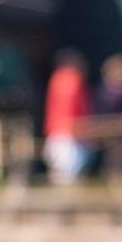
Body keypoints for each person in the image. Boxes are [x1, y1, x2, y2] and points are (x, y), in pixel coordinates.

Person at [42, 48, 96, 184]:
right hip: (69, 135)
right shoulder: (72, 79)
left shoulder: (56, 78)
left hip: (57, 131)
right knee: (68, 177)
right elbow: (72, 108)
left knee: (60, 176)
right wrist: (81, 129)